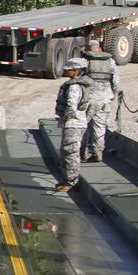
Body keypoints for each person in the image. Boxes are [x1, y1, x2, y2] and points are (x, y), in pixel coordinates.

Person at [54, 56, 91, 192]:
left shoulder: (74, 87)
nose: (67, 72)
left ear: (76, 71)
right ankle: (67, 180)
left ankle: (71, 182)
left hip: (73, 124)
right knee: (67, 152)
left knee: (70, 153)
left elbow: (71, 105)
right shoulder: (79, 84)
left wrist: (67, 118)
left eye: (69, 70)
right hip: (77, 123)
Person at [81, 38, 121, 161]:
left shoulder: (85, 61)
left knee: (83, 126)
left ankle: (82, 152)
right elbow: (116, 80)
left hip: (89, 99)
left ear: (88, 49)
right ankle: (98, 153)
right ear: (99, 48)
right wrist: (113, 94)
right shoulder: (110, 61)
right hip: (105, 99)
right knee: (100, 127)